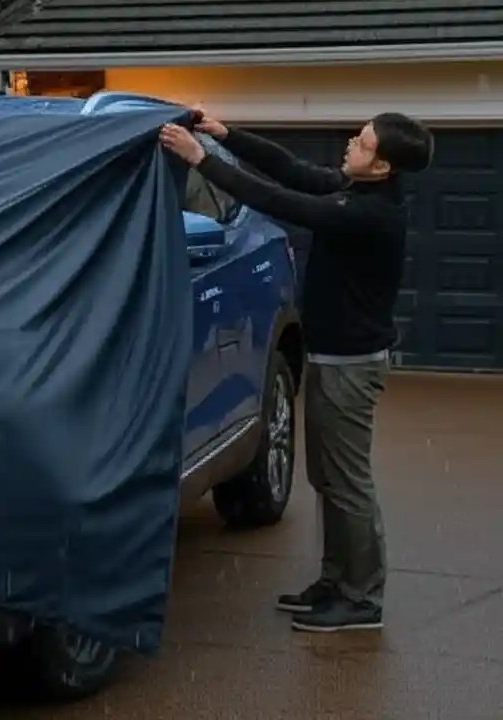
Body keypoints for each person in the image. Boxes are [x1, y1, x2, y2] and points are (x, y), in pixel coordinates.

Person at [159, 109, 433, 633]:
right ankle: (335, 583)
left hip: (350, 368)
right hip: (335, 359)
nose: (352, 143)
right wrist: (227, 136)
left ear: (383, 168)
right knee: (327, 478)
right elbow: (291, 171)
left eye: (364, 142)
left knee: (348, 483)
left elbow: (280, 201)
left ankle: (362, 599)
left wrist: (202, 161)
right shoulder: (354, 191)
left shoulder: (370, 215)